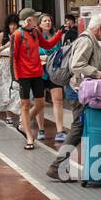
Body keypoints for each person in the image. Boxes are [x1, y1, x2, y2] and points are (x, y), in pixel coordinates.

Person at [48, 12, 101, 176]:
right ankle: (56, 166)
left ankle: (61, 166)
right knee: (78, 127)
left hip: (83, 90)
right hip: (78, 91)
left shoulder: (91, 41)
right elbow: (77, 66)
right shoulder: (86, 41)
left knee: (80, 126)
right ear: (99, 28)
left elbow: (98, 67)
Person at [10, 8, 63, 149]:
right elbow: (13, 58)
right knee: (25, 105)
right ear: (28, 20)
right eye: (35, 18)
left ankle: (23, 123)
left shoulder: (35, 32)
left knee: (40, 104)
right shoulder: (17, 35)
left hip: (37, 73)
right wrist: (15, 77)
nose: (37, 20)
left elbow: (48, 44)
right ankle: (29, 137)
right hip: (23, 76)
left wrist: (59, 33)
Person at [38, 13, 68, 141]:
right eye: (44, 21)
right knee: (39, 102)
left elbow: (60, 53)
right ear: (39, 24)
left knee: (58, 99)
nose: (47, 23)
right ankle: (40, 129)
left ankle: (60, 130)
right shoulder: (35, 37)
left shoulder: (57, 37)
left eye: (49, 20)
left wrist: (50, 58)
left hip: (55, 72)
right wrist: (40, 58)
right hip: (39, 72)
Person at [0, 13, 21, 121]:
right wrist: (6, 45)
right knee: (6, 90)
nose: (13, 27)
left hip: (17, 65)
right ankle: (9, 116)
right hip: (4, 66)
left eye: (15, 24)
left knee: (18, 90)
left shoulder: (21, 34)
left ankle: (21, 115)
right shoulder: (3, 35)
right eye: (11, 24)